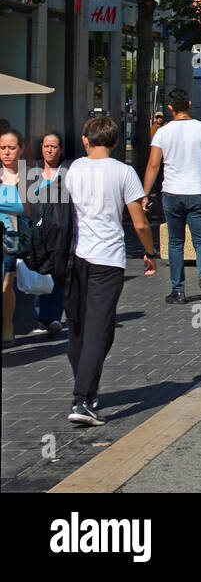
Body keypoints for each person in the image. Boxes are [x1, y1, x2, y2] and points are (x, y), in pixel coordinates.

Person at [60, 115, 157, 425]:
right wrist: (149, 251)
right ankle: (82, 399)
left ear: (85, 139)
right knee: (99, 329)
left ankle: (86, 388)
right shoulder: (124, 172)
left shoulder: (73, 169)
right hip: (108, 258)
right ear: (116, 142)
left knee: (80, 327)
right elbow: (139, 221)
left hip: (77, 257)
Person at [142, 88, 201, 308]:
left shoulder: (163, 132)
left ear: (170, 108)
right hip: (200, 192)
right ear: (189, 104)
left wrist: (144, 195)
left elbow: (153, 165)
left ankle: (178, 290)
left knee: (176, 242)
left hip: (172, 193)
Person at [32, 131, 69, 333]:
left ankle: (52, 317)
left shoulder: (66, 172)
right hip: (37, 234)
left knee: (57, 274)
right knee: (38, 274)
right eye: (46, 145)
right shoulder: (32, 171)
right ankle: (40, 317)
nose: (49, 149)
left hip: (60, 233)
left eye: (54, 146)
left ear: (61, 149)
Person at [1, 128, 27, 347]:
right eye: (2, 148)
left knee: (6, 285)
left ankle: (7, 325)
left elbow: (24, 207)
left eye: (11, 148)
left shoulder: (28, 175)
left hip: (11, 237)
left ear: (21, 149)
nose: (7, 152)